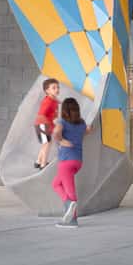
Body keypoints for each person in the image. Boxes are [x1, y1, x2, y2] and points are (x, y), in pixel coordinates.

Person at [51, 96, 86, 228]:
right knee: (56, 184)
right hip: (78, 161)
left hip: (66, 161)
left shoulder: (62, 122)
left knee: (70, 191)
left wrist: (61, 141)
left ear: (64, 110)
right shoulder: (82, 123)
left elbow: (56, 133)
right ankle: (69, 205)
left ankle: (72, 220)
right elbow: (86, 131)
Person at [33, 78, 61, 170]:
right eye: (54, 88)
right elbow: (42, 115)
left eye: (58, 87)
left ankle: (38, 162)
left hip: (43, 124)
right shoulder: (48, 101)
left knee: (46, 143)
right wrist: (50, 125)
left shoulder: (52, 99)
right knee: (47, 144)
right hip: (42, 124)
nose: (57, 89)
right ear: (47, 91)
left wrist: (58, 102)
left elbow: (55, 103)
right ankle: (43, 164)